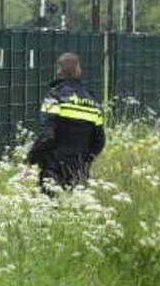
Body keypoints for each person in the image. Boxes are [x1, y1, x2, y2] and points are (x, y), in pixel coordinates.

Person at [26, 52, 105, 189]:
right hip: (80, 167)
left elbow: (46, 136)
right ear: (79, 71)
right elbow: (99, 141)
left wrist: (31, 159)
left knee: (50, 206)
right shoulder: (93, 102)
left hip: (54, 166)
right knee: (77, 207)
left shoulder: (54, 97)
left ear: (58, 71)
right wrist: (86, 160)